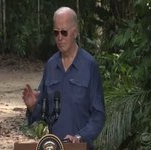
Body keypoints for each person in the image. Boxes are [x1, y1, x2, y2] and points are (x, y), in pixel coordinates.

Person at [22, 6, 105, 150]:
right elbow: (41, 114)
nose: (59, 37)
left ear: (75, 32)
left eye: (64, 32)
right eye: (56, 32)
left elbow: (98, 115)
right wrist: (32, 107)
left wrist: (80, 137)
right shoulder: (51, 65)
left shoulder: (89, 65)